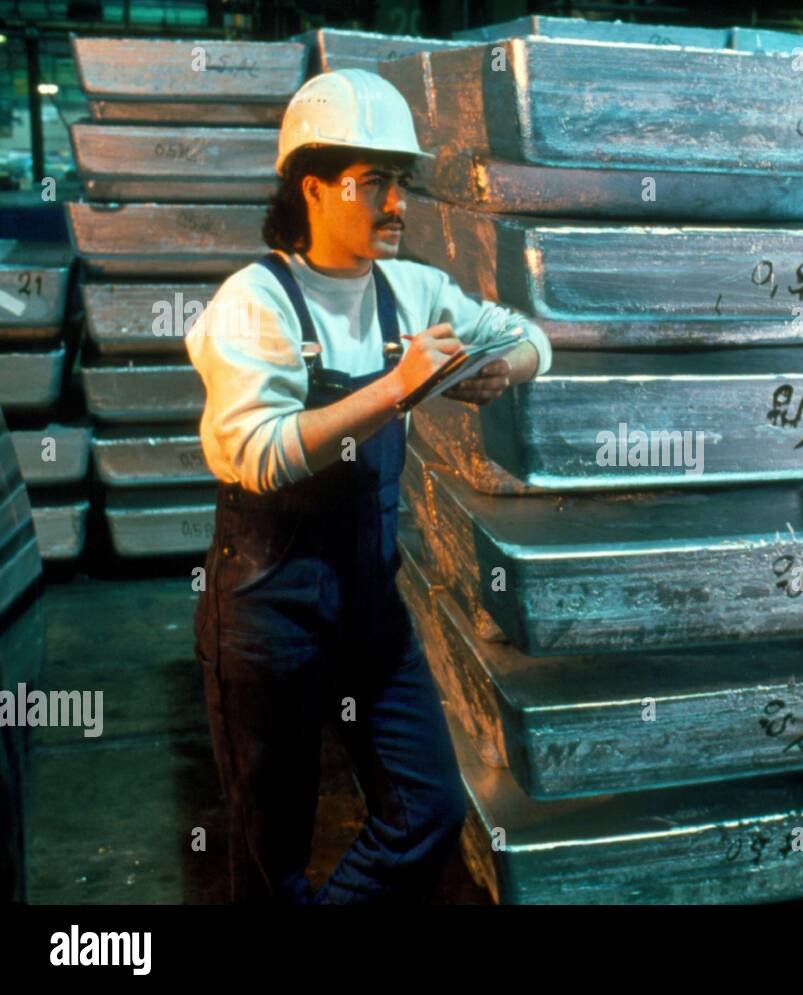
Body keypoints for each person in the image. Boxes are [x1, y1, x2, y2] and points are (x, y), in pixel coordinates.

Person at [186, 68, 552, 904]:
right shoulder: (253, 305)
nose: (399, 204)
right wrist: (395, 386)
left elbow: (529, 335)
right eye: (375, 183)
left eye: (403, 183)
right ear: (313, 187)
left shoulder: (414, 293)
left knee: (429, 806)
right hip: (266, 609)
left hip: (369, 605)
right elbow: (261, 454)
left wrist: (502, 371)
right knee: (269, 850)